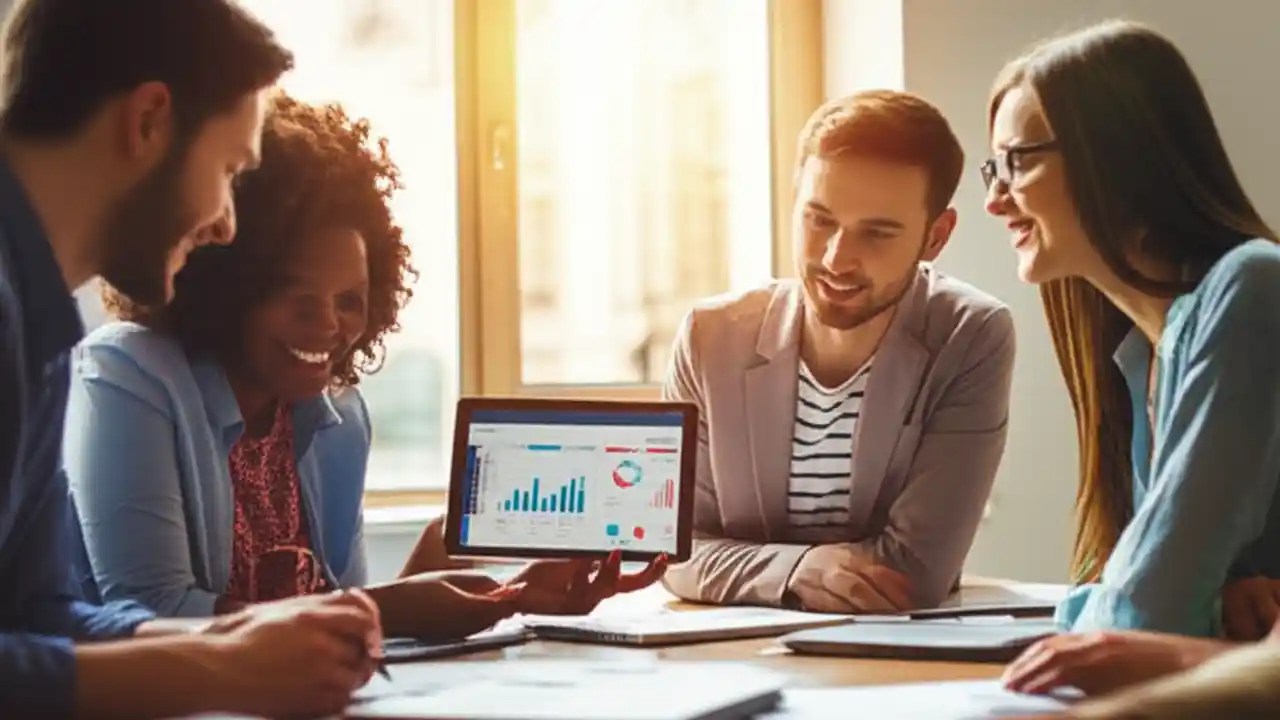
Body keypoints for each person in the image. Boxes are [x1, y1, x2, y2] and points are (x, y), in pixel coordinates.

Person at [64, 94, 666, 641]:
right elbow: (152, 617)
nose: (328, 327)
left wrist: (495, 584)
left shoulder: (338, 418)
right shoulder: (129, 376)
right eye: (296, 297)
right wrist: (387, 609)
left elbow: (341, 612)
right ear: (228, 285)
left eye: (349, 301)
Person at [0, 1, 388, 718]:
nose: (226, 224)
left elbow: (40, 619)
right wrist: (220, 668)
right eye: (228, 167)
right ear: (148, 121)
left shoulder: (42, 330)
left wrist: (246, 635)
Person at [982, 17, 1280, 695]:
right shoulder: (1135, 357)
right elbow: (1115, 594)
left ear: (1114, 155)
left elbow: (1145, 611)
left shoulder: (1253, 286)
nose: (996, 199)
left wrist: (1178, 620)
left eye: (1018, 161)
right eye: (993, 169)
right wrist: (1211, 610)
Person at [660, 90, 1016, 612]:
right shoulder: (709, 337)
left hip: (890, 660)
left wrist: (741, 568)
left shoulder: (971, 335)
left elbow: (913, 572)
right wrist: (796, 569)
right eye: (819, 219)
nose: (836, 259)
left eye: (877, 233)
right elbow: (673, 551)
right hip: (726, 659)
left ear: (935, 237)